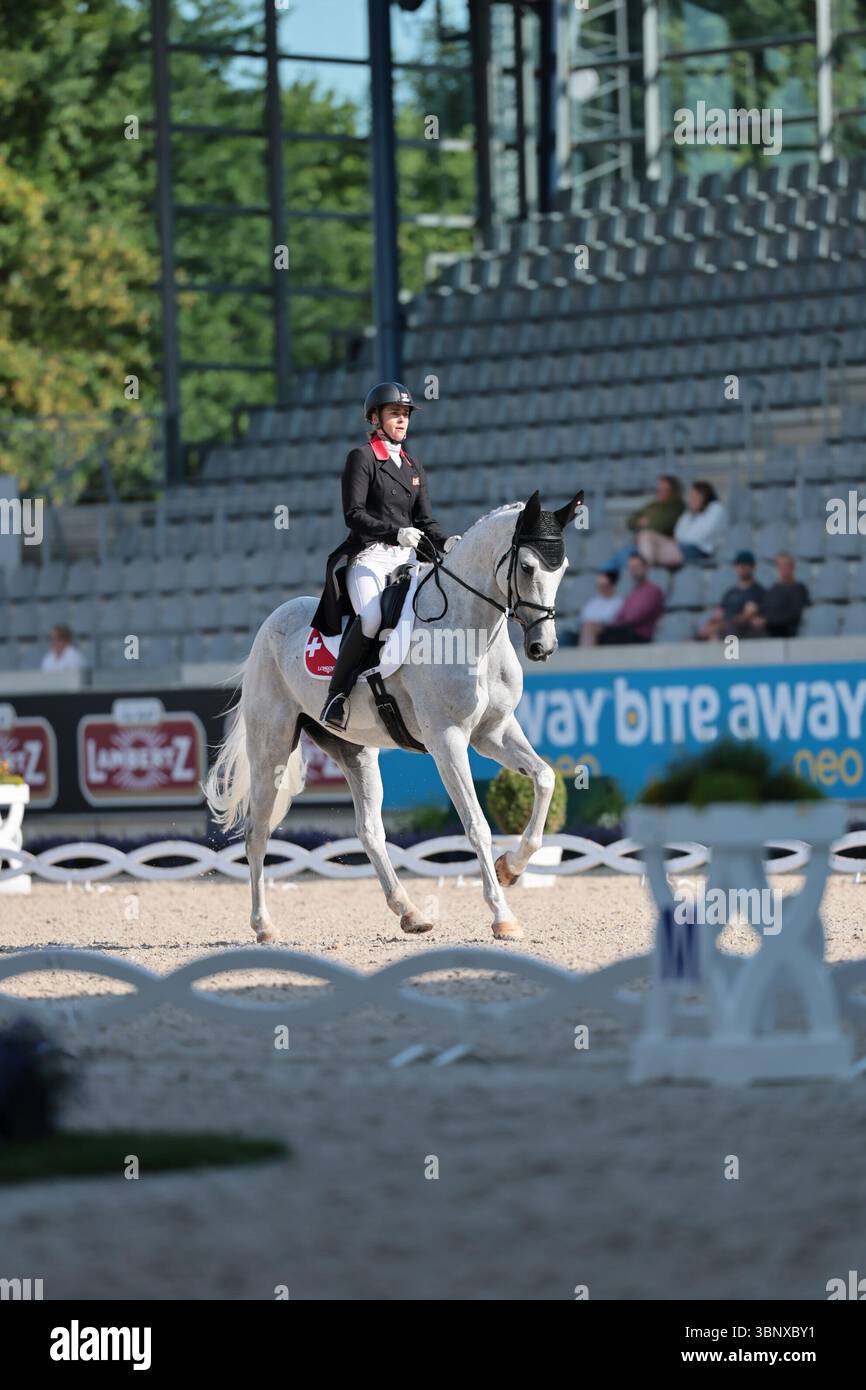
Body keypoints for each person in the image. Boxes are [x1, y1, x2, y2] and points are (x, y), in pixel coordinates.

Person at [314, 382, 461, 730]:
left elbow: (425, 521)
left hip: (407, 561)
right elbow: (354, 514)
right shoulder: (362, 458)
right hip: (370, 556)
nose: (402, 420)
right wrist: (395, 533)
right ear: (375, 418)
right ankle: (336, 696)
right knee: (371, 620)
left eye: (406, 414)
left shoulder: (413, 465)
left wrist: (449, 542)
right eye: (395, 413)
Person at [636, 481, 726, 570]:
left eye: (694, 496)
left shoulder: (716, 508)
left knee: (647, 554)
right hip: (682, 547)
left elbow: (701, 535)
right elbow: (678, 533)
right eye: (690, 496)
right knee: (645, 536)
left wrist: (679, 540)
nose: (690, 499)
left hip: (700, 551)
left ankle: (647, 573)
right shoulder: (688, 513)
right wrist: (679, 540)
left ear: (704, 496)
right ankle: (647, 571)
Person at [606, 474, 684, 573]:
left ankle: (646, 575)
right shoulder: (652, 505)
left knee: (643, 539)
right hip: (640, 545)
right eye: (658, 488)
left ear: (672, 491)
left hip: (660, 545)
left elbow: (660, 525)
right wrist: (639, 522)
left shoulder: (676, 507)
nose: (659, 492)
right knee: (617, 559)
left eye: (663, 489)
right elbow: (630, 521)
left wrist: (646, 522)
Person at [592, 554, 665, 645]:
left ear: (646, 568)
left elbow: (637, 615)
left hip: (640, 635)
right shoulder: (632, 593)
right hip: (626, 631)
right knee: (595, 629)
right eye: (631, 568)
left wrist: (618, 623)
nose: (633, 571)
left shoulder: (653, 590)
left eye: (636, 567)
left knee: (600, 632)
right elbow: (620, 616)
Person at [697, 549, 765, 641]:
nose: (741, 567)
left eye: (745, 565)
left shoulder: (757, 591)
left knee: (720, 634)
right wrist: (710, 625)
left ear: (752, 567)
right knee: (697, 638)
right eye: (739, 565)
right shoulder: (730, 592)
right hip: (725, 629)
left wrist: (721, 625)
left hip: (741, 633)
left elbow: (746, 617)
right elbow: (718, 613)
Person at [740, 552, 810, 638]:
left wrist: (767, 621)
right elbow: (764, 608)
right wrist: (755, 616)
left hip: (783, 630)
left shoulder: (798, 588)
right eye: (779, 566)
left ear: (792, 567)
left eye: (785, 565)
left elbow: (794, 615)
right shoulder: (773, 589)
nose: (782, 569)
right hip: (767, 628)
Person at [579, 569, 622, 647]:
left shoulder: (619, 602)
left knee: (589, 628)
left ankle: (586, 655)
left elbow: (610, 619)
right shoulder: (593, 602)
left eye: (605, 586)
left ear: (613, 586)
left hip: (608, 629)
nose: (602, 589)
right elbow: (583, 617)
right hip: (590, 627)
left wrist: (595, 622)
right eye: (600, 586)